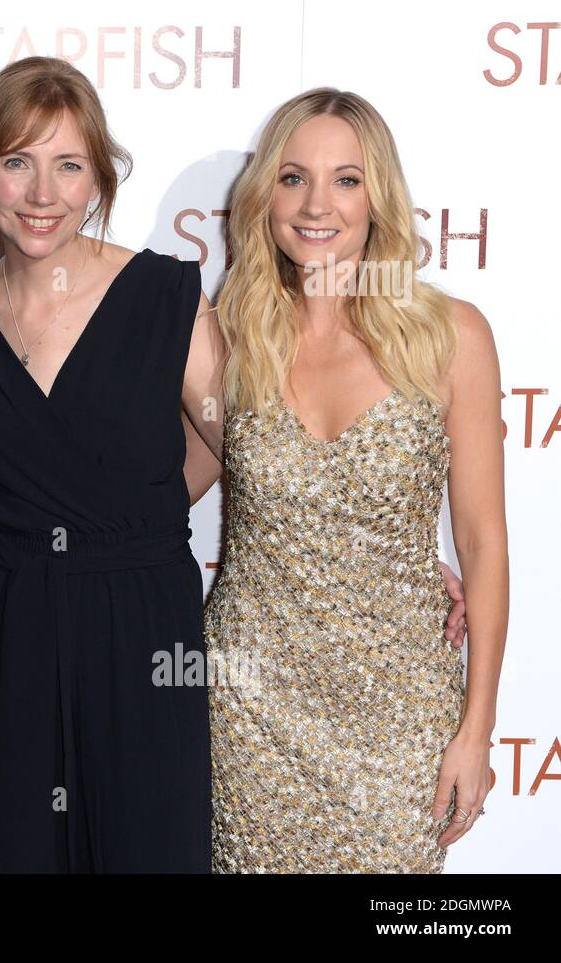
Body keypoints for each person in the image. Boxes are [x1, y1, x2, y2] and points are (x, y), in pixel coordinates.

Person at [0, 56, 226, 872]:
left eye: (68, 165)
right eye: (16, 161)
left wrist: (135, 519)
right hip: (2, 629)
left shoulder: (166, 296)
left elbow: (232, 448)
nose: (41, 192)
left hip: (143, 625)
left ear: (98, 179)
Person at [197, 88, 508, 872]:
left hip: (403, 711)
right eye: (294, 177)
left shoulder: (451, 335)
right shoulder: (227, 337)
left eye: (346, 179)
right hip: (251, 711)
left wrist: (476, 730)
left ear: (380, 200)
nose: (316, 204)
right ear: (265, 194)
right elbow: (161, 491)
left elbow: (482, 539)